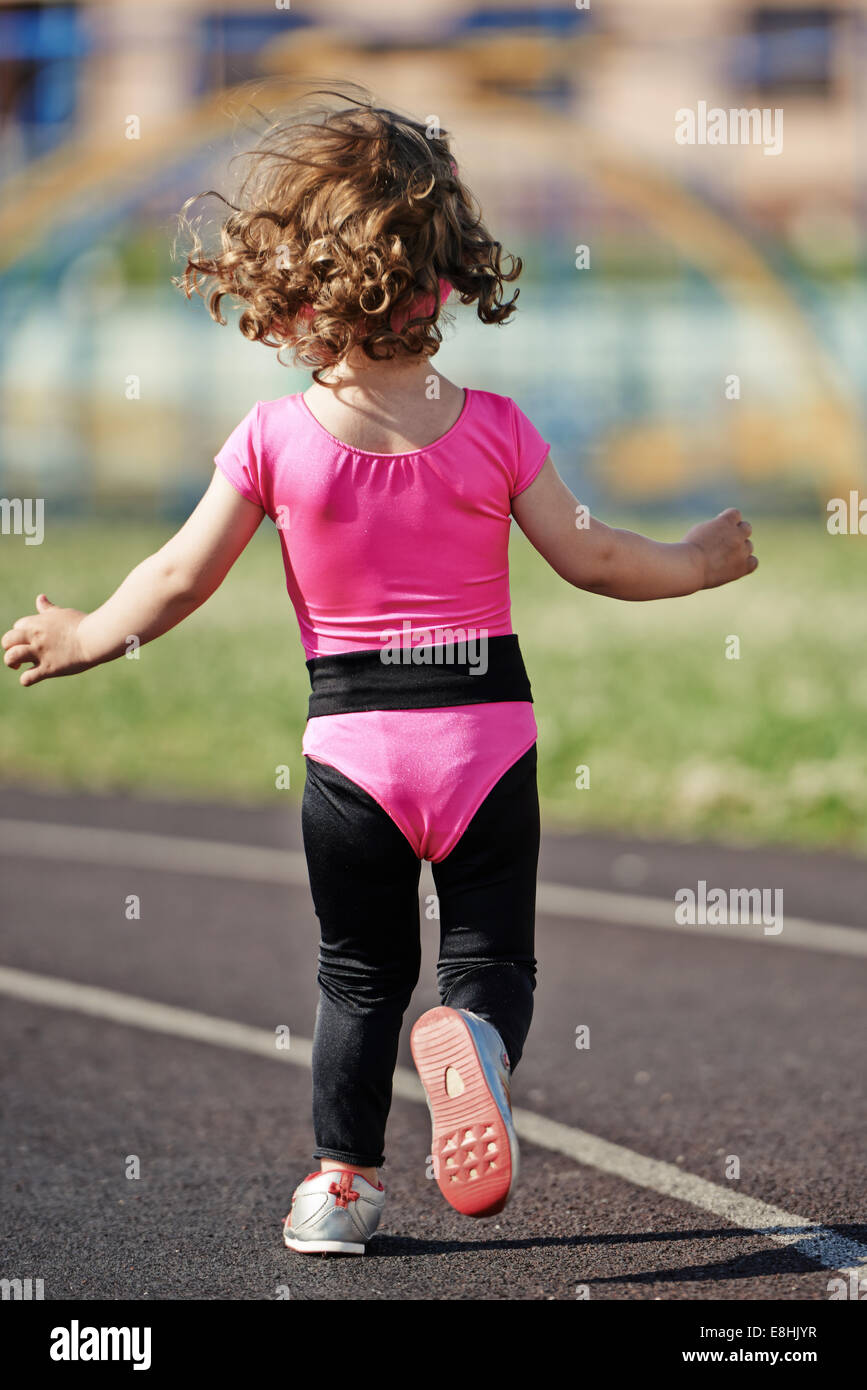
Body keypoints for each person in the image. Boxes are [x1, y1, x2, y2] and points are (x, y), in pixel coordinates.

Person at [2, 93, 757, 1257]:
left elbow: (177, 577)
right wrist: (702, 563)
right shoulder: (498, 430)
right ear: (446, 279)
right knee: (492, 960)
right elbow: (596, 558)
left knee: (356, 978)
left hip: (353, 752)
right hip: (485, 742)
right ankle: (480, 1041)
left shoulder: (272, 440)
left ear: (296, 291)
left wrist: (86, 632)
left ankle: (339, 1189)